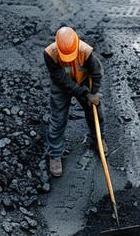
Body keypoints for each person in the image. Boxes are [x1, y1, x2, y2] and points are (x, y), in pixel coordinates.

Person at [44, 27, 105, 177]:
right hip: (62, 86)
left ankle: (98, 139)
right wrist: (83, 93)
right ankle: (55, 153)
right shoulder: (50, 54)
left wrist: (93, 93)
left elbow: (97, 73)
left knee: (95, 111)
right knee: (58, 119)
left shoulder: (86, 52)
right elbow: (62, 79)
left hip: (84, 81)